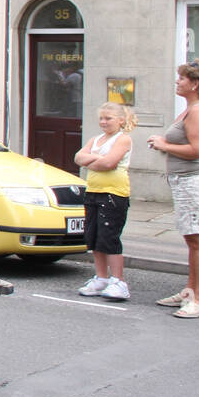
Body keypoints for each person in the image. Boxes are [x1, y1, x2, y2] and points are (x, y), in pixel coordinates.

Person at [147, 59, 199, 318]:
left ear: (196, 83)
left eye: (182, 78)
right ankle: (190, 292)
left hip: (196, 183)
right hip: (186, 182)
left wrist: (163, 145)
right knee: (192, 239)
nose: (177, 82)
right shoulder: (192, 108)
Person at [74, 103, 136, 300]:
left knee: (109, 237)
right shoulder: (96, 139)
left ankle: (118, 281)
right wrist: (96, 157)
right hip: (93, 191)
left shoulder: (123, 139)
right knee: (94, 237)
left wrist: (91, 160)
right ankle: (101, 278)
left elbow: (109, 163)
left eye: (108, 118)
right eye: (101, 118)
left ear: (120, 120)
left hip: (114, 193)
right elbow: (78, 157)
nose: (103, 122)